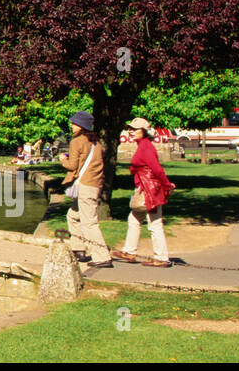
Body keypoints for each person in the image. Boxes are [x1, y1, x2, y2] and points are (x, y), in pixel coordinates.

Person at [112, 118, 175, 267]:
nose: (131, 131)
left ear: (144, 131)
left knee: (155, 223)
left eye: (135, 129)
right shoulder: (142, 146)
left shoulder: (146, 147)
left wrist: (167, 186)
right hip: (144, 189)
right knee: (134, 219)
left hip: (149, 190)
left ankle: (161, 257)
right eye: (130, 129)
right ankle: (129, 251)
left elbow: (157, 169)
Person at [60, 111, 112, 267]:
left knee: (89, 222)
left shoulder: (77, 141)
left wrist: (63, 160)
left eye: (74, 123)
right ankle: (78, 249)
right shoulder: (95, 142)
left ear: (82, 126)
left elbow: (72, 165)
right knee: (72, 216)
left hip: (85, 185)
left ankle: (102, 256)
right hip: (95, 185)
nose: (71, 125)